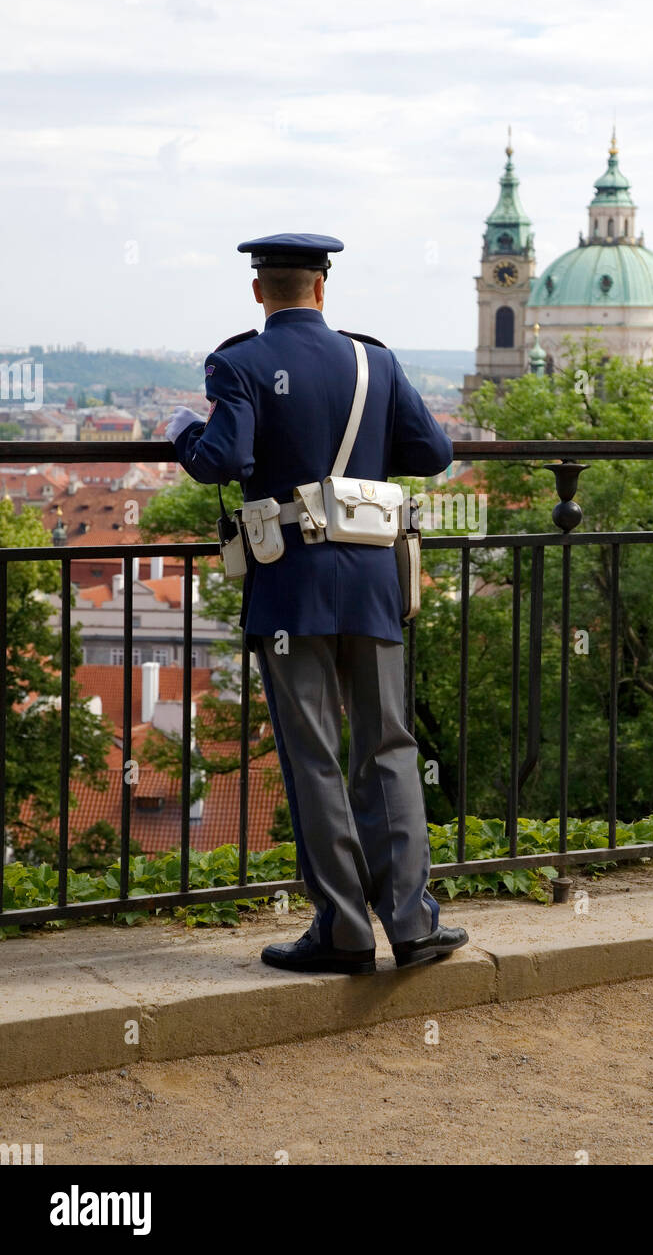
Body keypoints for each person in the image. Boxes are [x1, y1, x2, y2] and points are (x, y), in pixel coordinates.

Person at [167, 233, 468, 974]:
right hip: (373, 579)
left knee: (313, 757)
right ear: (323, 289)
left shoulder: (237, 363)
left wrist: (182, 430)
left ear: (259, 291)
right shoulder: (377, 360)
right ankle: (414, 922)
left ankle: (342, 930)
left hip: (290, 585)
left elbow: (222, 461)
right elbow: (431, 455)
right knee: (389, 747)